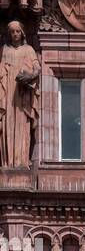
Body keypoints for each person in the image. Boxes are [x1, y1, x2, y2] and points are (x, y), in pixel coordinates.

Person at [0, 20, 40, 169]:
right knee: (7, 124)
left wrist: (29, 76)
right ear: (9, 34)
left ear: (22, 33)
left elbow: (37, 68)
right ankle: (7, 162)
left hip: (22, 93)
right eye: (12, 32)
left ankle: (21, 162)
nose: (15, 34)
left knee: (23, 126)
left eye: (17, 31)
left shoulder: (28, 49)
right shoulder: (4, 49)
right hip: (7, 93)